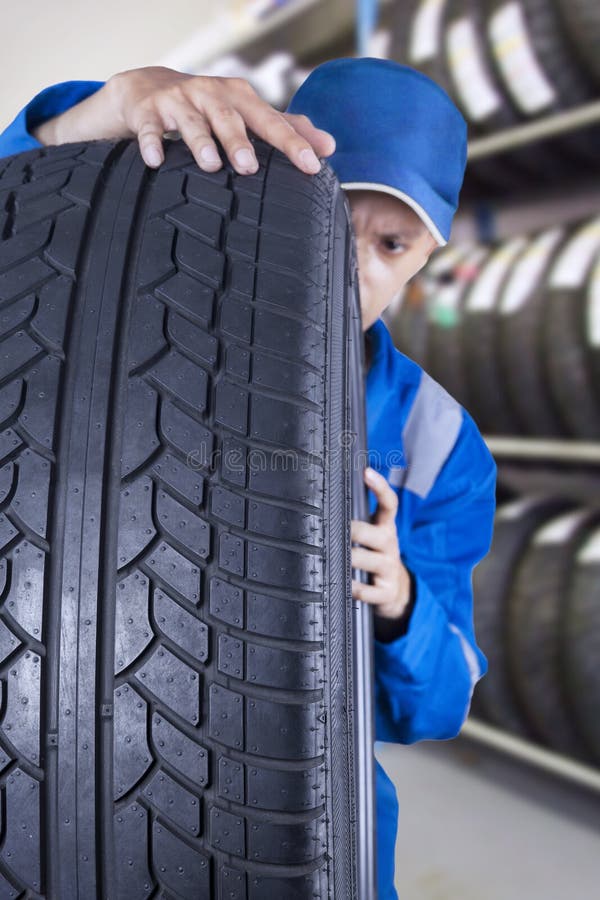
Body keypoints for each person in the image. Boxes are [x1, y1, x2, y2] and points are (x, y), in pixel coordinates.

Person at [0, 57, 497, 900]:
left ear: (427, 257)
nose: (357, 265)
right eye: (334, 217)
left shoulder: (441, 441)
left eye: (393, 244)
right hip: (62, 768)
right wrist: (83, 120)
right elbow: (33, 252)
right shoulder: (160, 340)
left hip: (307, 815)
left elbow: (443, 705)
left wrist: (401, 603)